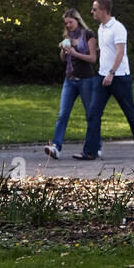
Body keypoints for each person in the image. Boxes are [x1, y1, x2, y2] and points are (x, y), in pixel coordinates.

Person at [75, 0, 134, 160]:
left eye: (94, 9)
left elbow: (120, 53)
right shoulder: (101, 28)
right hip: (102, 77)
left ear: (104, 10)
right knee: (93, 113)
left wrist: (111, 73)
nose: (92, 12)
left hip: (119, 77)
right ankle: (90, 152)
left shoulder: (118, 28)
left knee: (130, 112)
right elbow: (107, 50)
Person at [45, 10, 98, 159]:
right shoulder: (67, 36)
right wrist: (64, 50)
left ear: (77, 20)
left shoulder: (88, 35)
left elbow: (93, 58)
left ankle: (96, 145)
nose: (68, 25)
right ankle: (56, 147)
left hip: (86, 79)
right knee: (63, 114)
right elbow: (63, 59)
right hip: (69, 79)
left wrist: (75, 53)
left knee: (90, 115)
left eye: (71, 22)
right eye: (66, 23)